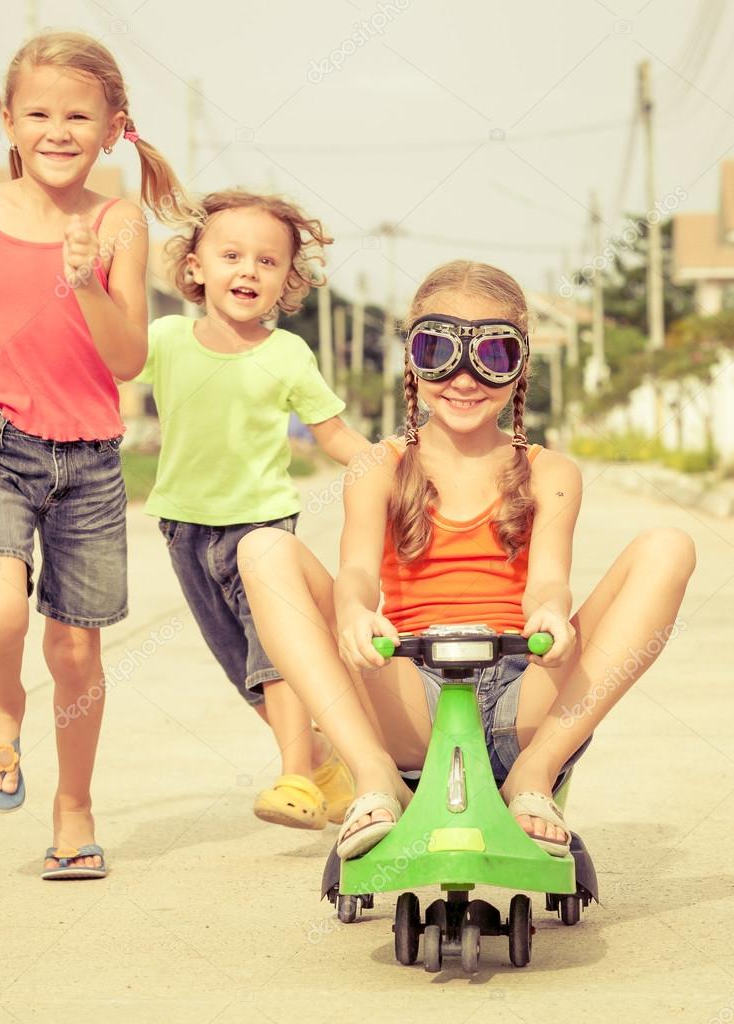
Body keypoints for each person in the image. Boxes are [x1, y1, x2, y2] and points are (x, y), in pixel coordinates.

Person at [0, 31, 197, 880]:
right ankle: (4, 707)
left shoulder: (118, 224)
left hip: (89, 459)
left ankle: (74, 807)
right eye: (40, 112)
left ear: (112, 127)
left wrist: (85, 281)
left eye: (79, 115)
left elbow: (128, 360)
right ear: (8, 122)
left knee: (77, 653)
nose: (58, 129)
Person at [238, 259, 697, 859]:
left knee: (669, 547)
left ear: (519, 365)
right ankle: (372, 775)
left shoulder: (549, 472)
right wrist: (352, 612)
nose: (464, 378)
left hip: (520, 699)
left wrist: (553, 616)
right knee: (263, 547)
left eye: (493, 356)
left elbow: (548, 582)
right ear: (413, 359)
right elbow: (355, 573)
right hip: (409, 704)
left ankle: (536, 775)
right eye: (438, 351)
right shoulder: (378, 467)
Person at [141, 189, 370, 831]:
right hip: (184, 528)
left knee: (274, 656)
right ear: (195, 267)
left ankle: (296, 777)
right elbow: (103, 371)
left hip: (262, 527)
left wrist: (389, 465)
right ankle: (326, 761)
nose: (248, 271)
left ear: (286, 283)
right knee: (244, 671)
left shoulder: (287, 354)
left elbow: (333, 433)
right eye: (232, 255)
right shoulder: (165, 339)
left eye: (268, 263)